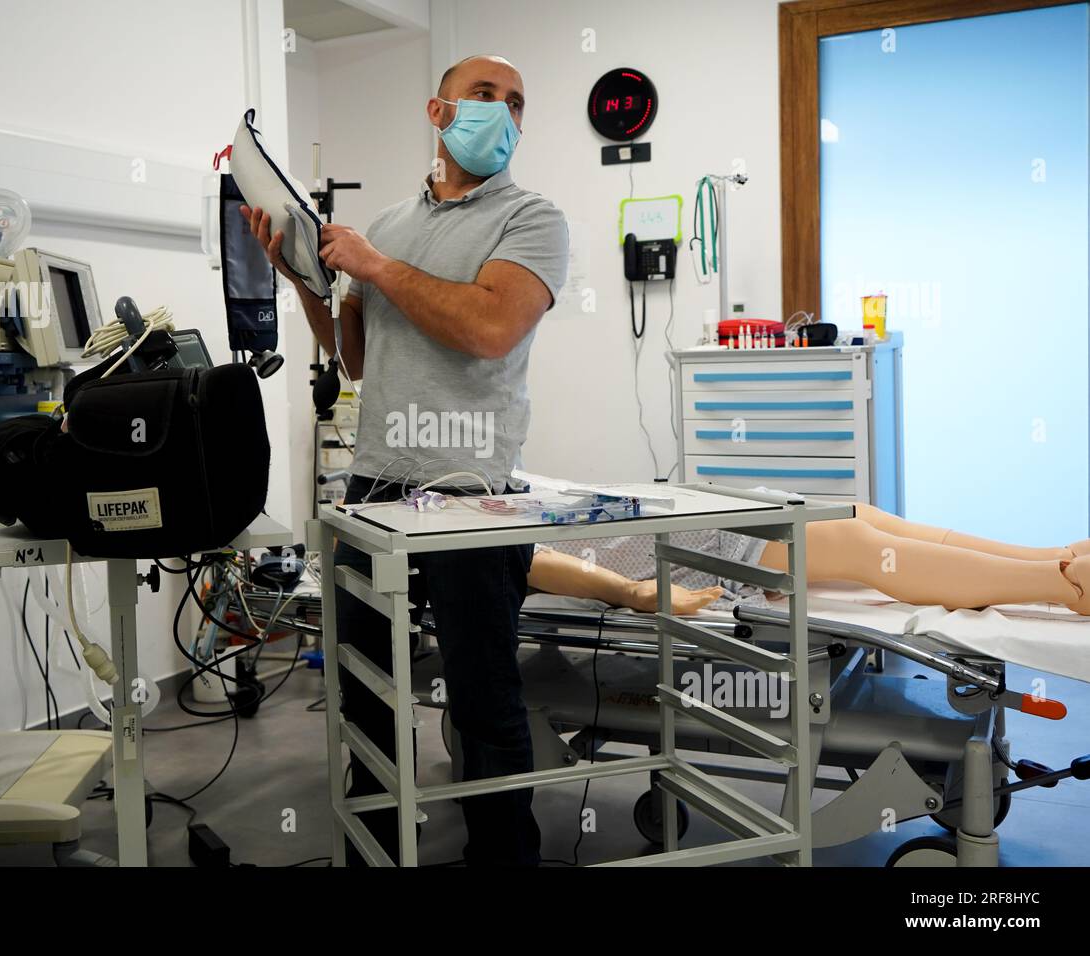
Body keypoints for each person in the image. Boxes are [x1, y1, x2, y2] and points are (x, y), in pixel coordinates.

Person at [242, 54, 568, 866]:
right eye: (486, 96)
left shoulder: (532, 219)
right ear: (439, 110)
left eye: (517, 103)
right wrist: (303, 279)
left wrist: (375, 266)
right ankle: (377, 846)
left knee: (484, 696)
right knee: (362, 688)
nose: (503, 112)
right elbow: (353, 357)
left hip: (471, 491)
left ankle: (504, 856)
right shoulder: (385, 224)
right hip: (377, 484)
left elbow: (491, 329)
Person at [528, 503, 1090, 615]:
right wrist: (629, 593)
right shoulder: (459, 541)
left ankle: (1053, 557)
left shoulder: (477, 491)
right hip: (697, 555)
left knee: (864, 521)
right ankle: (1063, 586)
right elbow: (529, 562)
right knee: (858, 547)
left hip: (695, 522)